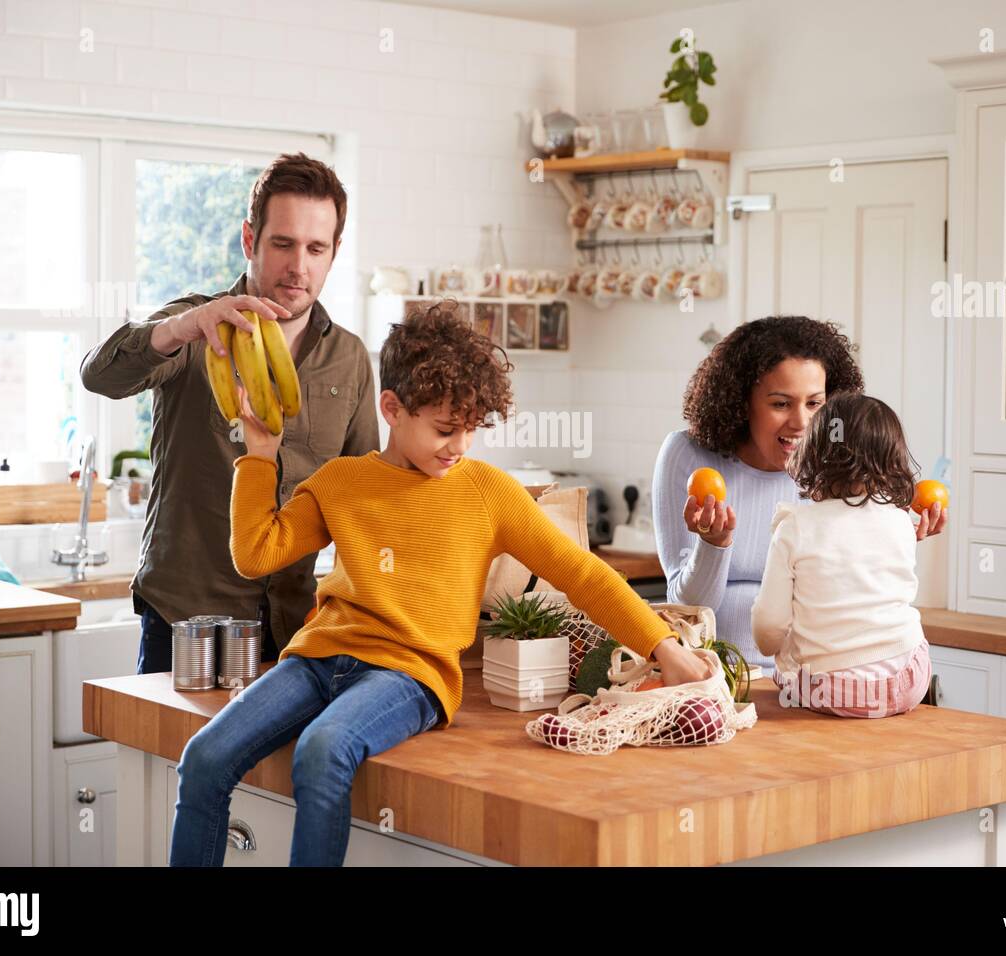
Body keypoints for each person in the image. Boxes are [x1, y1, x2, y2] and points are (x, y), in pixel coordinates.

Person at [169, 302, 708, 866]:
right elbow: (257, 553)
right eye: (446, 429)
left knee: (322, 751)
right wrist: (259, 455)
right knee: (204, 757)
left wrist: (661, 645)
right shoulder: (342, 481)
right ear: (392, 408)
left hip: (411, 673)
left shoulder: (488, 491)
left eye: (471, 429)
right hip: (317, 658)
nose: (460, 446)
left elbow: (582, 572)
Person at [80, 153, 378, 674]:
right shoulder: (195, 327)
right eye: (282, 243)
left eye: (316, 248)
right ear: (249, 240)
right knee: (174, 758)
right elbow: (99, 376)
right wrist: (183, 327)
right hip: (185, 620)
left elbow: (368, 498)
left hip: (292, 628)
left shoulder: (348, 358)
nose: (299, 266)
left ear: (334, 253)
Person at [652, 316, 945, 672]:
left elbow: (855, 586)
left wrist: (894, 525)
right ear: (741, 402)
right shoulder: (689, 455)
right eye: (780, 404)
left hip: (820, 677)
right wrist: (713, 544)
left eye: (814, 404)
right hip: (716, 675)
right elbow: (687, 608)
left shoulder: (838, 463)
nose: (801, 423)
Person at [751, 392, 932, 718]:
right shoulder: (901, 519)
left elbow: (768, 627)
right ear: (891, 459)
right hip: (911, 676)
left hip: (836, 690)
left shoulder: (795, 526)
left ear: (814, 454)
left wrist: (775, 650)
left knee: (787, 671)